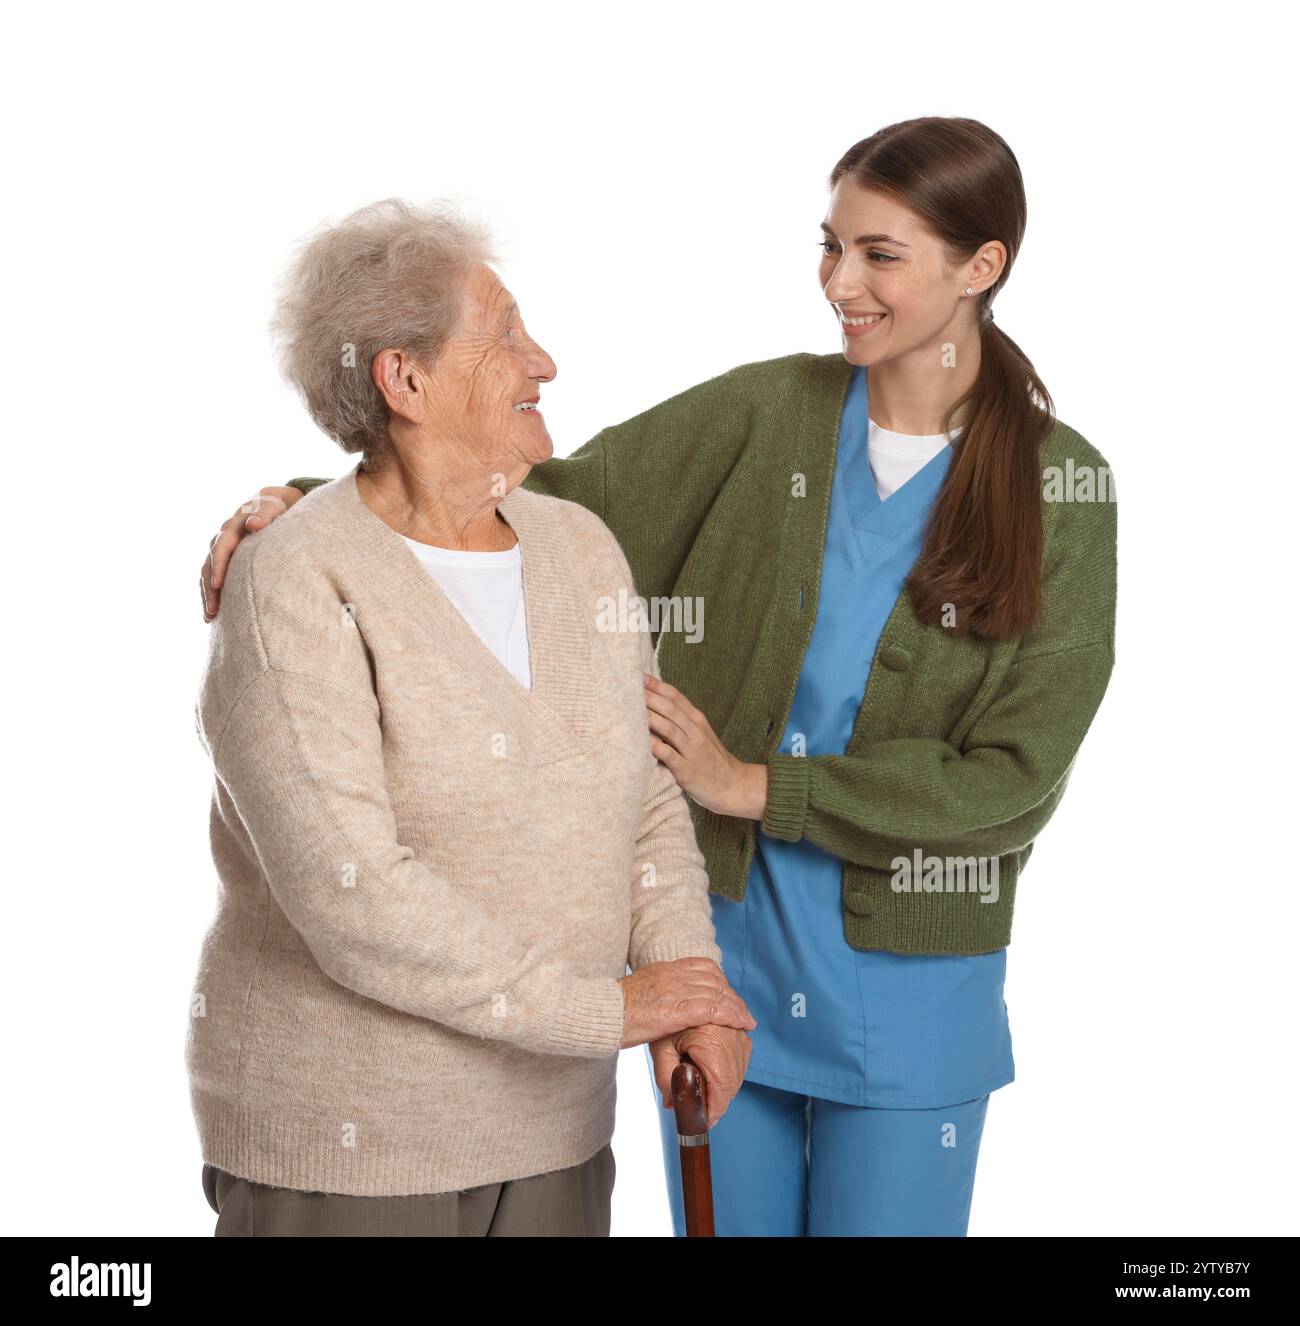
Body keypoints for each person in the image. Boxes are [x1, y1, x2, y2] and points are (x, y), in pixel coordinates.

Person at [201, 116, 1117, 1237]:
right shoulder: (769, 413)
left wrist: (761, 788)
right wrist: (311, 504)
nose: (840, 283)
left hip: (908, 989)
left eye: (880, 255)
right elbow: (540, 500)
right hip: (720, 969)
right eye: (830, 246)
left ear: (982, 267)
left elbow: (1015, 778)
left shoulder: (1062, 487)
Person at [188, 198, 756, 1238]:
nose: (545, 363)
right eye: (504, 338)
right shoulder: (293, 581)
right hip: (353, 1147)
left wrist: (689, 985)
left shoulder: (581, 548)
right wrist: (612, 1012)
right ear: (403, 381)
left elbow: (646, 804)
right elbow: (353, 894)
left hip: (556, 1135)